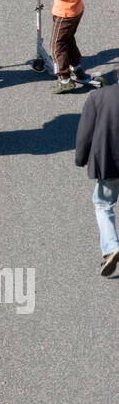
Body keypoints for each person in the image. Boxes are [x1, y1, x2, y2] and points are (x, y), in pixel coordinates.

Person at [75, 78, 119, 277]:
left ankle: (111, 247)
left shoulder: (99, 96)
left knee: (103, 204)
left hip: (109, 161)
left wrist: (81, 157)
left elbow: (85, 132)